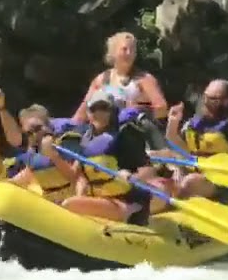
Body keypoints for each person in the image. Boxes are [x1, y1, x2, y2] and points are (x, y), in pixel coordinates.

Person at [62, 89, 157, 223]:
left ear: (112, 111)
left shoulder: (125, 136)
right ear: (88, 113)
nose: (99, 113)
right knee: (72, 201)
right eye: (94, 109)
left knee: (70, 204)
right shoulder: (83, 140)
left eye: (104, 108)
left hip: (126, 201)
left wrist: (131, 177)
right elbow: (80, 176)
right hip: (100, 198)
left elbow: (148, 170)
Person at [161, 78, 228, 200]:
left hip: (222, 182)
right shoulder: (195, 124)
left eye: (213, 99)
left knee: (190, 182)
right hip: (196, 172)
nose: (206, 102)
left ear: (226, 101)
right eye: (205, 96)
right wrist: (172, 123)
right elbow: (182, 150)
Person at [69, 31, 169, 124]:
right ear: (113, 52)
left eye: (132, 50)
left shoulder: (144, 79)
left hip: (134, 133)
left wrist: (139, 111)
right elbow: (82, 113)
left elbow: (162, 109)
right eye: (124, 49)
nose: (129, 53)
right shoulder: (101, 79)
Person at [5, 104, 81, 203]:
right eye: (29, 133)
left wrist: (53, 156)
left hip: (72, 201)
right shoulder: (32, 152)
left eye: (37, 128)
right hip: (50, 203)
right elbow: (28, 173)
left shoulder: (67, 142)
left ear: (48, 125)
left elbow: (74, 177)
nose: (35, 135)